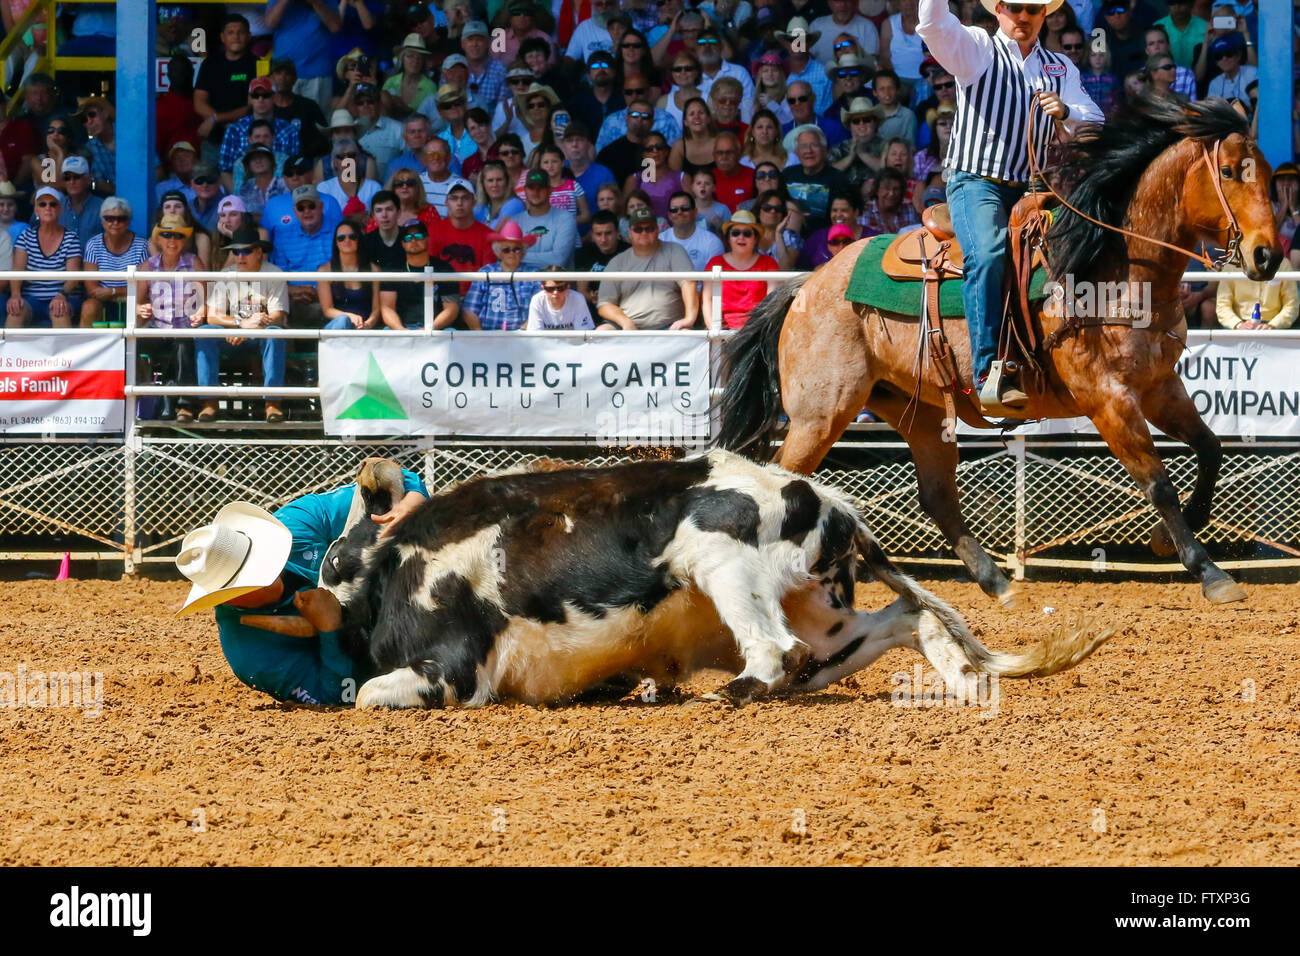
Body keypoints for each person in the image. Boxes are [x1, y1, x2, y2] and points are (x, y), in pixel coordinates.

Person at [918, 0, 1102, 413]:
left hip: (1032, 188)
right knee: (987, 254)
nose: (1024, 16)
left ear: (1044, 16)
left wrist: (1068, 111)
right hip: (974, 182)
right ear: (999, 10)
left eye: (1033, 10)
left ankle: (1061, 355)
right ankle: (987, 370)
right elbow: (932, 26)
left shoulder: (1058, 66)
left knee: (1077, 249)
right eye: (1016, 7)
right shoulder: (979, 47)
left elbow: (1095, 121)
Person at [173, 464, 428, 705]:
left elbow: (381, 488)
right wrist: (330, 630)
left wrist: (412, 501)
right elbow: (338, 697)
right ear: (226, 598)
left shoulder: (295, 523)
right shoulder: (252, 656)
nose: (269, 576)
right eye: (250, 581)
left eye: (258, 562)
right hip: (400, 659)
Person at [195, 226, 288, 423]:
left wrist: (249, 329)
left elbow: (278, 316)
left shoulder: (274, 273)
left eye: (245, 251)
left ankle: (272, 403)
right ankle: (209, 402)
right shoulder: (226, 273)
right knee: (204, 332)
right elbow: (212, 316)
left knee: (275, 333)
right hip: (233, 335)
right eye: (235, 251)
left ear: (259, 252)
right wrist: (240, 325)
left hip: (259, 335)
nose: (239, 256)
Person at [136, 214, 206, 423]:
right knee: (133, 343)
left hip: (185, 327)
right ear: (159, 239)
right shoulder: (147, 266)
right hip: (157, 327)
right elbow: (137, 303)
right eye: (166, 235)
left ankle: (181, 404)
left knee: (183, 342)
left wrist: (200, 313)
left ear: (184, 240)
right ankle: (145, 403)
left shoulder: (194, 262)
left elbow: (205, 299)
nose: (172, 240)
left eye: (177, 236)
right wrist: (141, 309)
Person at [597, 207, 697, 330]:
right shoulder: (617, 262)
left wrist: (689, 319)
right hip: (627, 325)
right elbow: (604, 304)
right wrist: (625, 322)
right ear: (630, 232)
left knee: (686, 333)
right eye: (638, 229)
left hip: (670, 325)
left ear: (657, 230)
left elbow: (689, 284)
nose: (644, 233)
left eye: (649, 228)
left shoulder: (675, 251)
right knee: (603, 331)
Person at [6, 187, 81, 329]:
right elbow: (17, 270)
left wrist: (61, 295)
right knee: (15, 312)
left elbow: (74, 276)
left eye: (53, 204)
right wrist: (15, 295)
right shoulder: (25, 237)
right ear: (36, 210)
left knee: (59, 310)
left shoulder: (71, 238)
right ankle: (7, 352)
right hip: (31, 298)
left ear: (60, 209)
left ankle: (64, 352)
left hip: (63, 296)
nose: (48, 208)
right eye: (42, 204)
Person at [194, 14, 257, 162]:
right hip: (213, 140)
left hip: (245, 139)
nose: (236, 37)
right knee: (208, 183)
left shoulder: (257, 65)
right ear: (223, 37)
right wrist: (219, 122)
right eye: (231, 32)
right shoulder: (210, 64)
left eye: (241, 32)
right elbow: (199, 102)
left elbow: (253, 105)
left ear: (249, 36)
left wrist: (216, 119)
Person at [270, 185, 335, 327]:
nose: (307, 212)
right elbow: (279, 276)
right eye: (301, 208)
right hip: (294, 299)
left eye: (311, 206)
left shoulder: (338, 232)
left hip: (330, 297)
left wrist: (321, 292)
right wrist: (294, 291)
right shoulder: (283, 235)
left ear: (321, 206)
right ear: (295, 211)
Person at [219, 76, 299, 189]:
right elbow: (225, 171)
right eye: (255, 96)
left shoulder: (289, 130)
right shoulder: (234, 130)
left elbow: (294, 170)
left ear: (274, 97)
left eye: (266, 95)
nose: (260, 99)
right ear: (250, 99)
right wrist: (240, 199)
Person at [379, 217, 460, 330]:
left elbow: (451, 309)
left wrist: (429, 329)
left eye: (418, 236)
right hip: (402, 328)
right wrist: (401, 331)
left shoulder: (444, 268)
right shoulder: (393, 269)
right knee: (387, 332)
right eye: (408, 238)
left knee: (451, 333)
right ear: (402, 243)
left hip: (437, 328)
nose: (413, 241)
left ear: (427, 239)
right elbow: (387, 308)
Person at [702, 210, 777, 330]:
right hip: (721, 329)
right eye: (735, 233)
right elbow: (707, 300)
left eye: (747, 233)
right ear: (728, 238)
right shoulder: (714, 263)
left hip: (756, 330)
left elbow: (772, 304)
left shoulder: (769, 264)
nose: (741, 237)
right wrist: (715, 331)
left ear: (755, 238)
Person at [264, 0, 343, 113]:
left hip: (317, 72)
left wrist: (316, 3)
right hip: (282, 72)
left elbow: (335, 26)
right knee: (281, 119)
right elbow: (269, 23)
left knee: (317, 123)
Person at [80, 197, 148, 328]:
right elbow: (91, 289)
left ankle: (135, 348)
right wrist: (119, 294)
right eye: (109, 218)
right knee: (89, 307)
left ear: (128, 221)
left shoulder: (141, 245)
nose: (115, 223)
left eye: (121, 219)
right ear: (102, 221)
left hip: (132, 298)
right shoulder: (93, 244)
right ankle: (86, 347)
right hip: (102, 301)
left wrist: (112, 292)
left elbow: (143, 288)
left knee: (143, 308)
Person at [460, 222, 541, 331]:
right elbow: (469, 310)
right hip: (488, 337)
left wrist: (522, 333)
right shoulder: (485, 273)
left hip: (523, 339)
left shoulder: (534, 275)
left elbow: (540, 310)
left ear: (523, 252)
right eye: (506, 250)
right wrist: (481, 336)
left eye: (516, 249)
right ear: (499, 252)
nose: (511, 253)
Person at [509, 169, 578, 268]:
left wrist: (517, 256)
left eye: (541, 187)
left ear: (550, 190)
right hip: (521, 282)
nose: (536, 192)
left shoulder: (566, 219)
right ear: (525, 190)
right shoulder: (514, 222)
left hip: (556, 282)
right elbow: (506, 259)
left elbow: (559, 259)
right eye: (531, 188)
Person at [427, 182, 496, 279]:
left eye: (465, 198)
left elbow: (489, 274)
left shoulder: (488, 235)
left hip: (476, 291)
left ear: (474, 203)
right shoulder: (434, 230)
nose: (459, 203)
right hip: (443, 291)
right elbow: (429, 268)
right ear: (446, 203)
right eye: (454, 198)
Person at [784, 126, 847, 233]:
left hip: (824, 238)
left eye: (814, 145)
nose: (809, 151)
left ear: (824, 150)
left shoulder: (838, 178)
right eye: (803, 146)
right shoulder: (787, 174)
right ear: (796, 152)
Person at [320, 221, 381, 330]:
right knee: (343, 320)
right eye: (341, 238)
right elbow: (327, 310)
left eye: (352, 237)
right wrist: (349, 317)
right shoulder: (325, 270)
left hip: (365, 326)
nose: (347, 241)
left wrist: (368, 324)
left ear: (359, 240)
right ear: (336, 243)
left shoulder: (373, 270)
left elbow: (376, 309)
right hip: (337, 328)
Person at [318, 138, 382, 221]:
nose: (347, 160)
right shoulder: (324, 188)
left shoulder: (374, 187)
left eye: (351, 155)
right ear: (335, 162)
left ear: (358, 159)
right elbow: (323, 219)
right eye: (341, 156)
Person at [659, 190, 723, 271]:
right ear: (669, 215)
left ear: (695, 212)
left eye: (685, 208)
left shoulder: (712, 242)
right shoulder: (660, 240)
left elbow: (713, 281)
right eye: (674, 209)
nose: (679, 212)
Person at [576, 210, 628, 309]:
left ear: (618, 232)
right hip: (593, 310)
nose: (603, 239)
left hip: (624, 307)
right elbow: (582, 291)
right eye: (598, 234)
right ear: (592, 234)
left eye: (608, 233)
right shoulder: (583, 253)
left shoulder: (629, 252)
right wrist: (591, 297)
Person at [57, 155, 103, 248]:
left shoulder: (102, 207)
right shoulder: (54, 206)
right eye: (67, 178)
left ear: (88, 179)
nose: (72, 181)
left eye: (77, 177)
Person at [418, 138, 472, 217]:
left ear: (448, 158)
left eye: (440, 154)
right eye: (431, 154)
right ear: (424, 159)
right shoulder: (416, 182)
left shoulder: (461, 185)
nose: (436, 158)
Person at [1216, 278, 1298, 331]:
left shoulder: (1283, 263)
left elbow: (1292, 305)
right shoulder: (1231, 265)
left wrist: (1273, 325)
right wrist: (1238, 325)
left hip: (1273, 328)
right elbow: (1222, 305)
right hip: (1236, 327)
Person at [527, 269, 595, 330]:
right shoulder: (537, 300)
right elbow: (535, 335)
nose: (555, 292)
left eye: (560, 288)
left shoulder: (578, 298)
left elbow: (583, 333)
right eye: (550, 289)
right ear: (543, 288)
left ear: (568, 287)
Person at [76, 95, 116, 196]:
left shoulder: (129, 134)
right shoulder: (89, 148)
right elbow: (103, 186)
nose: (89, 121)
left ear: (106, 113)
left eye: (92, 114)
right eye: (83, 119)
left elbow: (158, 172)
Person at [753, 188, 802, 270]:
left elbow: (786, 268)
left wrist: (778, 234)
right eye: (767, 208)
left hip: (781, 282)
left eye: (778, 209)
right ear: (758, 212)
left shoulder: (789, 237)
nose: (772, 211)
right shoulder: (748, 233)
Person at [362, 190, 405, 271]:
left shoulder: (410, 238)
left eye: (389, 209)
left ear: (399, 212)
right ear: (373, 215)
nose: (384, 215)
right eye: (379, 210)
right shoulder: (365, 242)